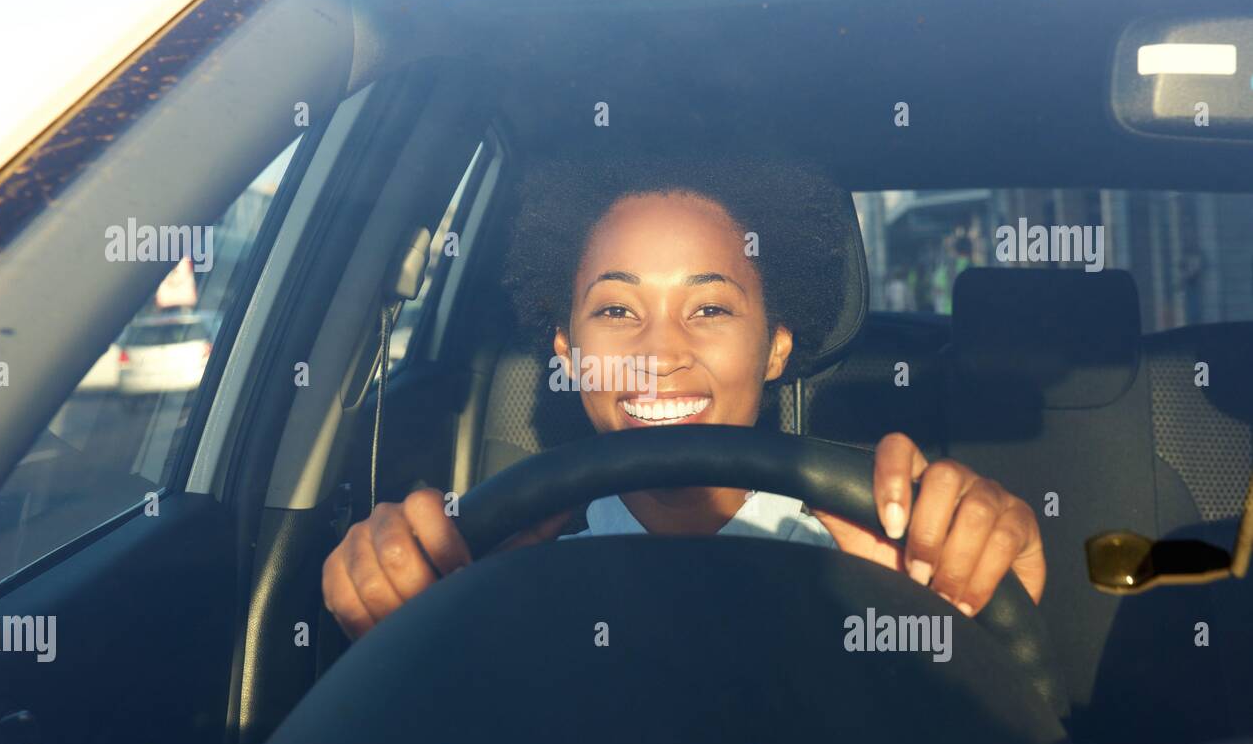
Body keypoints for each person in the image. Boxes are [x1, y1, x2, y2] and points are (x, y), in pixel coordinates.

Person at [323, 155, 1045, 640]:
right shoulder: (485, 578)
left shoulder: (879, 568)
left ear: (777, 347)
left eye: (710, 309)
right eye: (614, 310)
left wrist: (957, 602)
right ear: (568, 357)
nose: (659, 353)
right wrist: (398, 604)